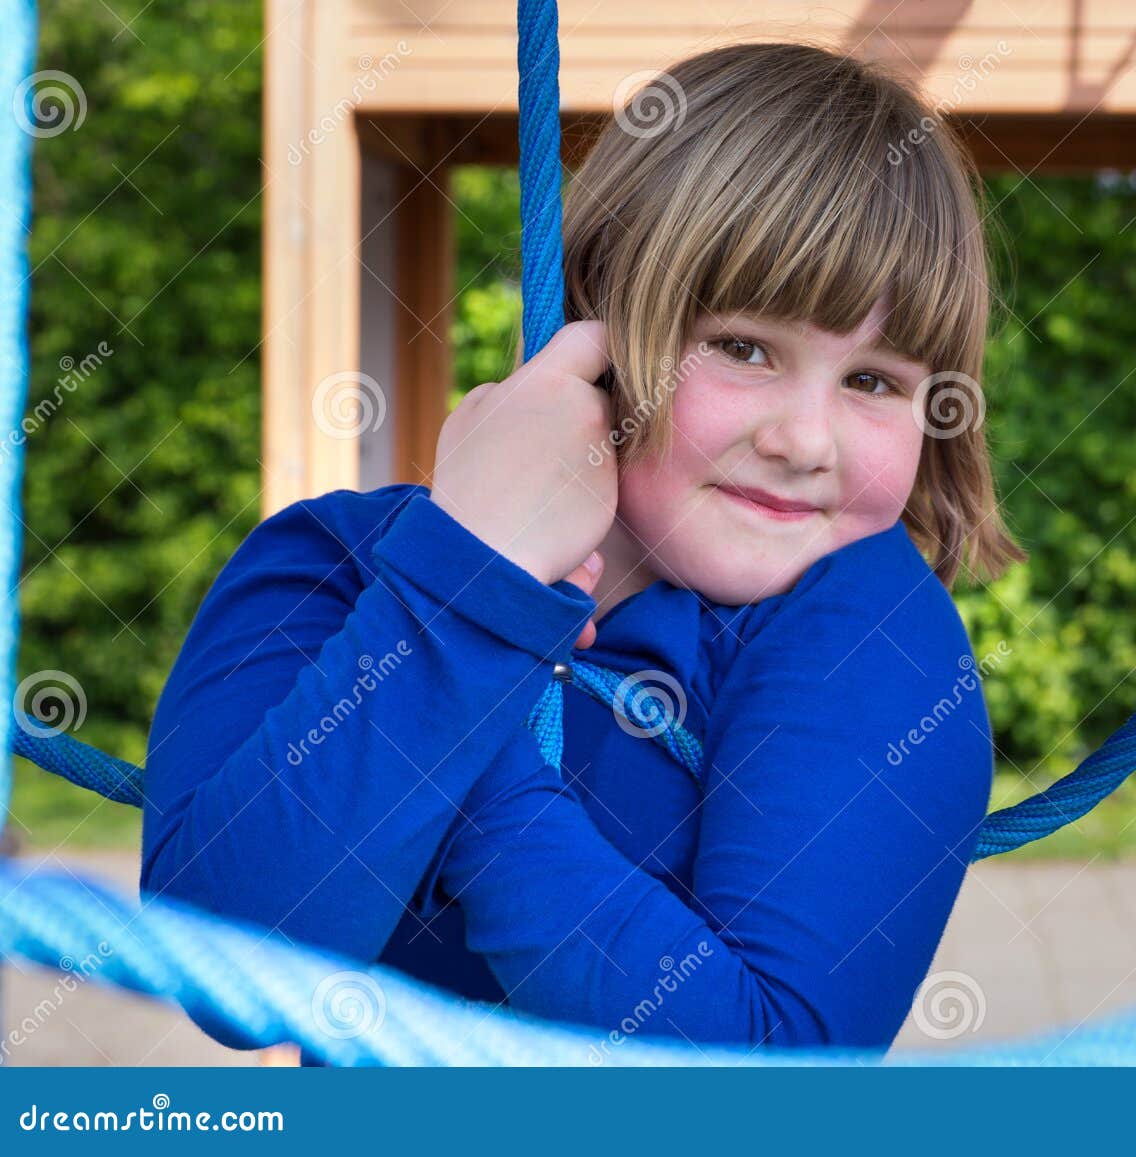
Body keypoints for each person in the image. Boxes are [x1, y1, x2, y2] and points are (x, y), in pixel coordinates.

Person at [141, 41, 1026, 1057]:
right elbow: (232, 968)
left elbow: (767, 1071)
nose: (803, 439)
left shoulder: (871, 629)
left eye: (874, 381)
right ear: (602, 317)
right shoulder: (340, 565)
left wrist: (480, 760)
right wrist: (470, 577)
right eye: (743, 347)